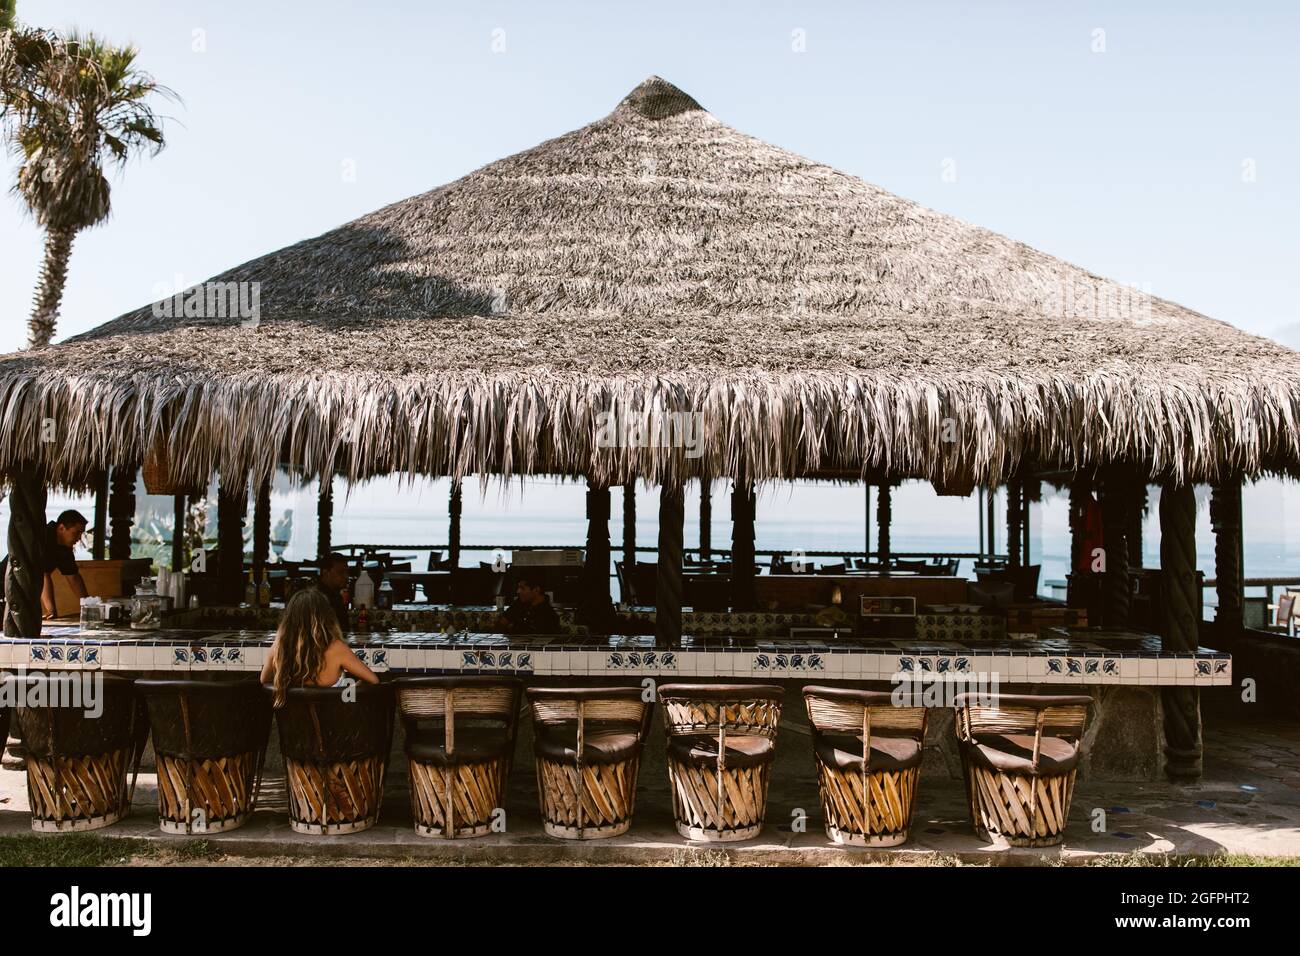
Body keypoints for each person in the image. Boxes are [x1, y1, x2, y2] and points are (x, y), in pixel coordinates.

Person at [260, 588, 378, 707]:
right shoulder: (336, 648)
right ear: (326, 617)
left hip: (292, 724)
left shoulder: (279, 647)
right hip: (335, 723)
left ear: (289, 618)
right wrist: (347, 691)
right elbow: (373, 681)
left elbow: (264, 680)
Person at [41, 509, 89, 619]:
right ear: (62, 528)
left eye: (81, 534)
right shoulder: (44, 537)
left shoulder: (64, 547)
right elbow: (43, 574)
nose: (79, 538)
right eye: (76, 533)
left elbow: (73, 578)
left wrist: (89, 606)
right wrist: (51, 611)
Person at [495, 573, 561, 635]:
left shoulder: (549, 615)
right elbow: (501, 624)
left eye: (522, 588)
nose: (518, 591)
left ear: (536, 590)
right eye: (518, 588)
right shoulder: (518, 604)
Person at [316, 552, 352, 633]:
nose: (346, 577)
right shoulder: (319, 599)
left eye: (347, 572)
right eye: (341, 572)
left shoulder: (336, 596)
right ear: (325, 573)